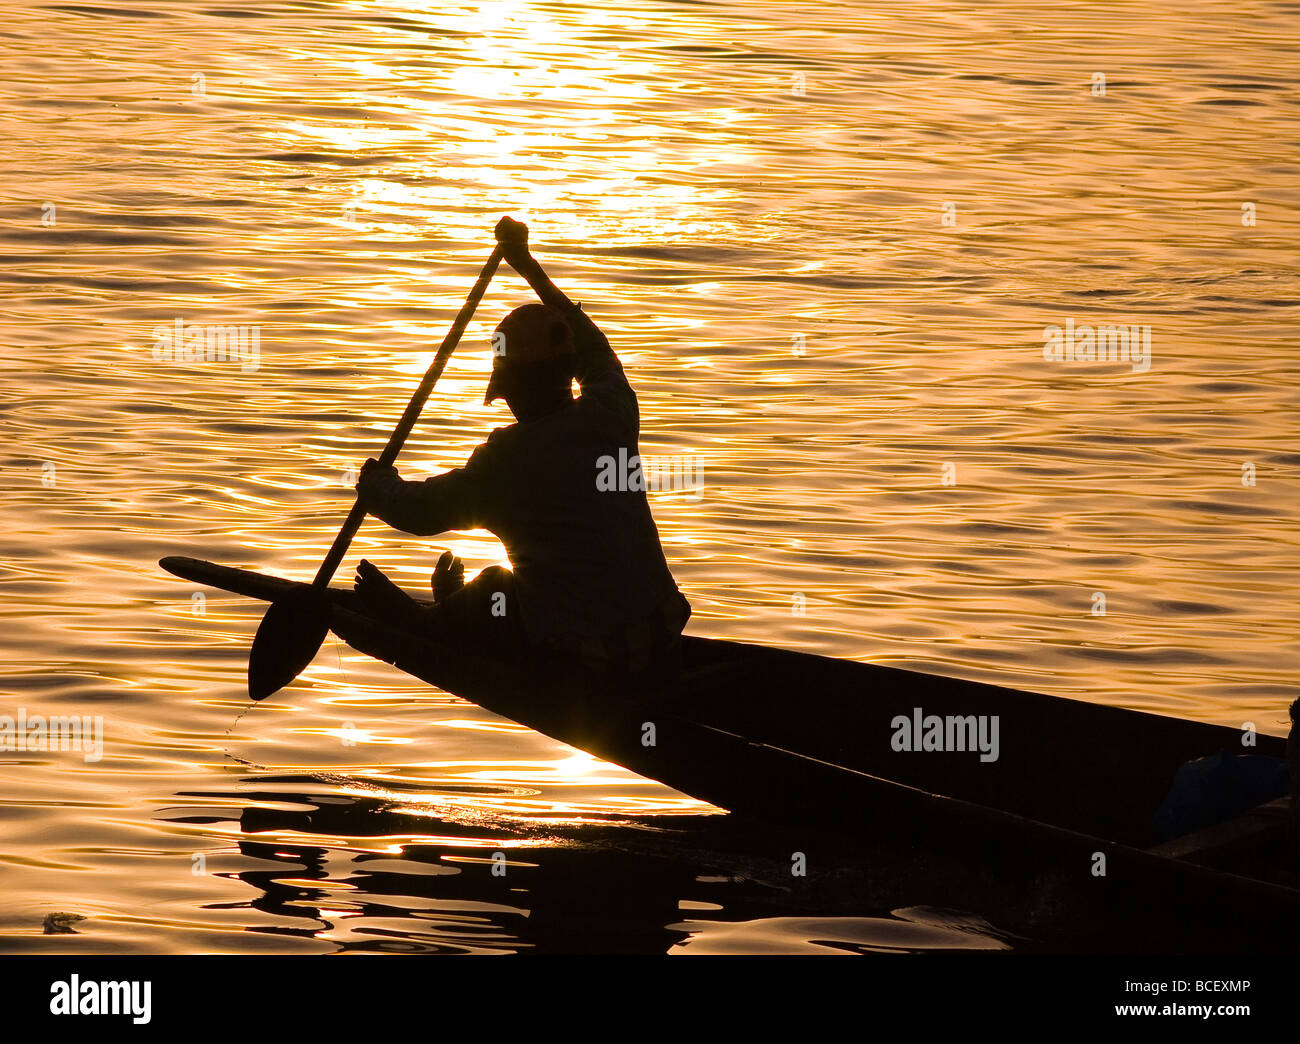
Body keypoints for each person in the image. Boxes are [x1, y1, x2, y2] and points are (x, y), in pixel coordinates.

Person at [352, 216, 690, 686]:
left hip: (593, 657)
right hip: (661, 637)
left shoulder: (507, 462)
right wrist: (527, 265)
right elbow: (594, 346)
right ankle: (458, 610)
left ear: (513, 388)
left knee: (494, 585)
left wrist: (376, 485)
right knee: (503, 591)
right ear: (567, 372)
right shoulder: (611, 410)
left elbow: (420, 512)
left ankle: (428, 623)